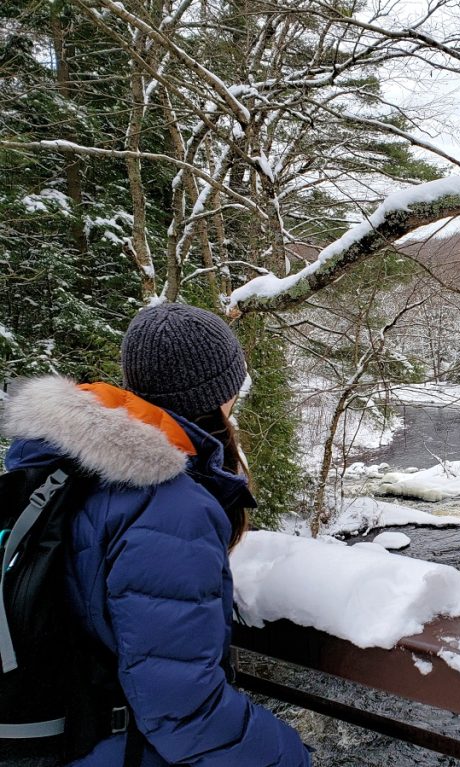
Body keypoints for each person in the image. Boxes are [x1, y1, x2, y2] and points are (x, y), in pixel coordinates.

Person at [1, 303, 311, 767]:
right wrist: (292, 757)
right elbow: (185, 713)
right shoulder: (169, 507)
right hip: (104, 749)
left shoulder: (57, 462)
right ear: (218, 393)